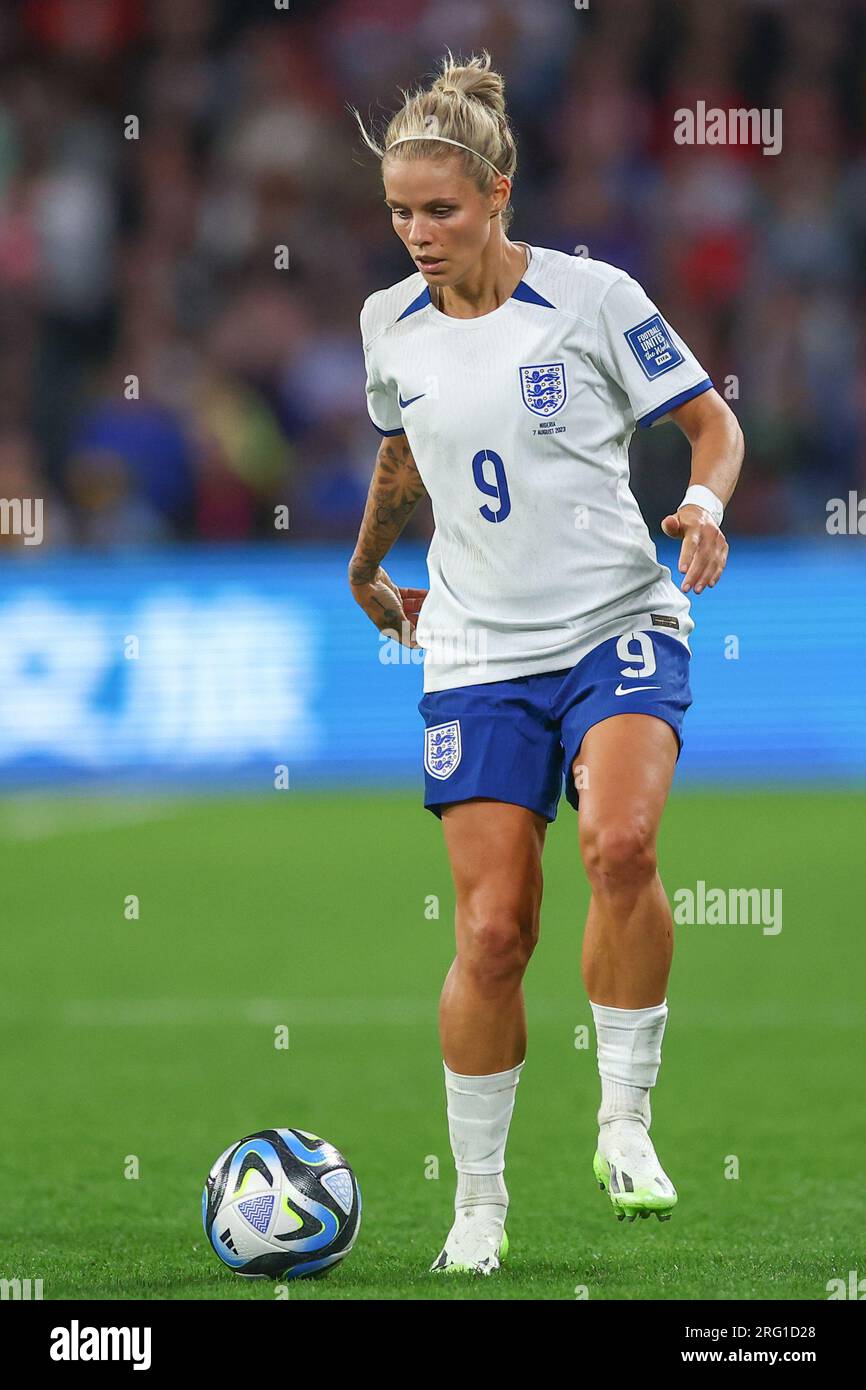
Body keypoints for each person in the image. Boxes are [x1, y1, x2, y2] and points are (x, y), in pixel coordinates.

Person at [348, 49, 744, 1275]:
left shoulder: (591, 298)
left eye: (440, 210)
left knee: (617, 843)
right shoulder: (386, 322)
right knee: (491, 931)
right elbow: (404, 454)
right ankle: (478, 1206)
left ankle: (622, 1119)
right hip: (472, 645)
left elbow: (709, 424)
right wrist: (363, 568)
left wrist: (706, 506)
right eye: (401, 213)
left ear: (498, 194)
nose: (417, 233)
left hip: (616, 617)